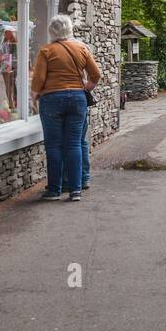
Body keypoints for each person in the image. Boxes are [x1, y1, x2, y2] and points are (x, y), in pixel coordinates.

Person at [31, 14, 101, 202]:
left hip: (52, 99)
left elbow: (39, 79)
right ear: (70, 30)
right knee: (74, 143)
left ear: (51, 31)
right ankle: (75, 190)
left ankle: (54, 190)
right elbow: (96, 74)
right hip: (77, 99)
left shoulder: (46, 51)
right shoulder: (81, 48)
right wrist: (84, 88)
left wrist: (34, 96)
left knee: (54, 145)